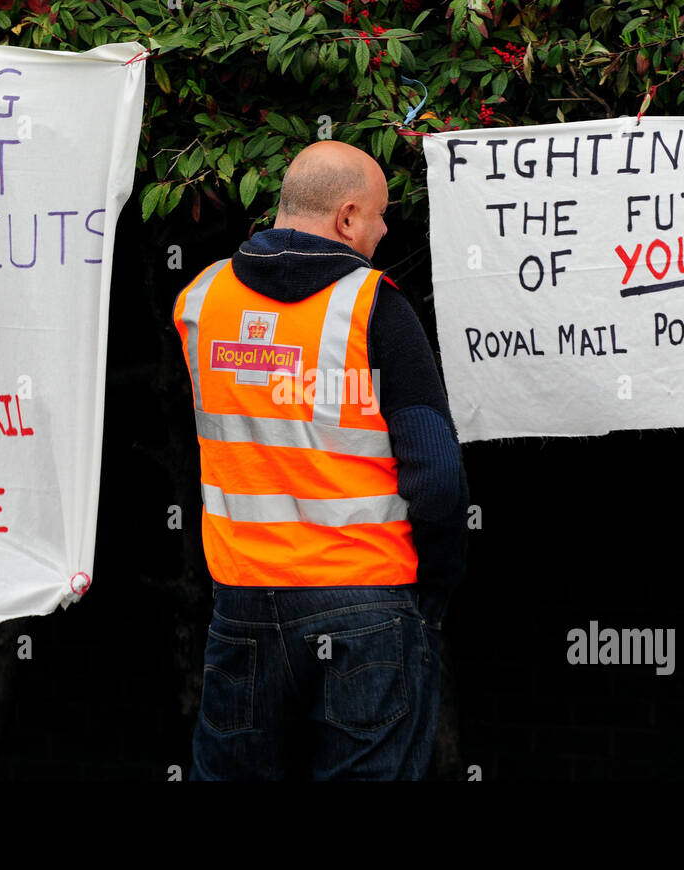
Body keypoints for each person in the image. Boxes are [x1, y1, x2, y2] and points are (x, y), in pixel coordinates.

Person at [172, 140, 468, 780]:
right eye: (380, 216)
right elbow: (440, 483)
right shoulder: (375, 307)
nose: (387, 230)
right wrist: (432, 598)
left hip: (245, 602)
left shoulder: (199, 302)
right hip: (367, 601)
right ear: (346, 217)